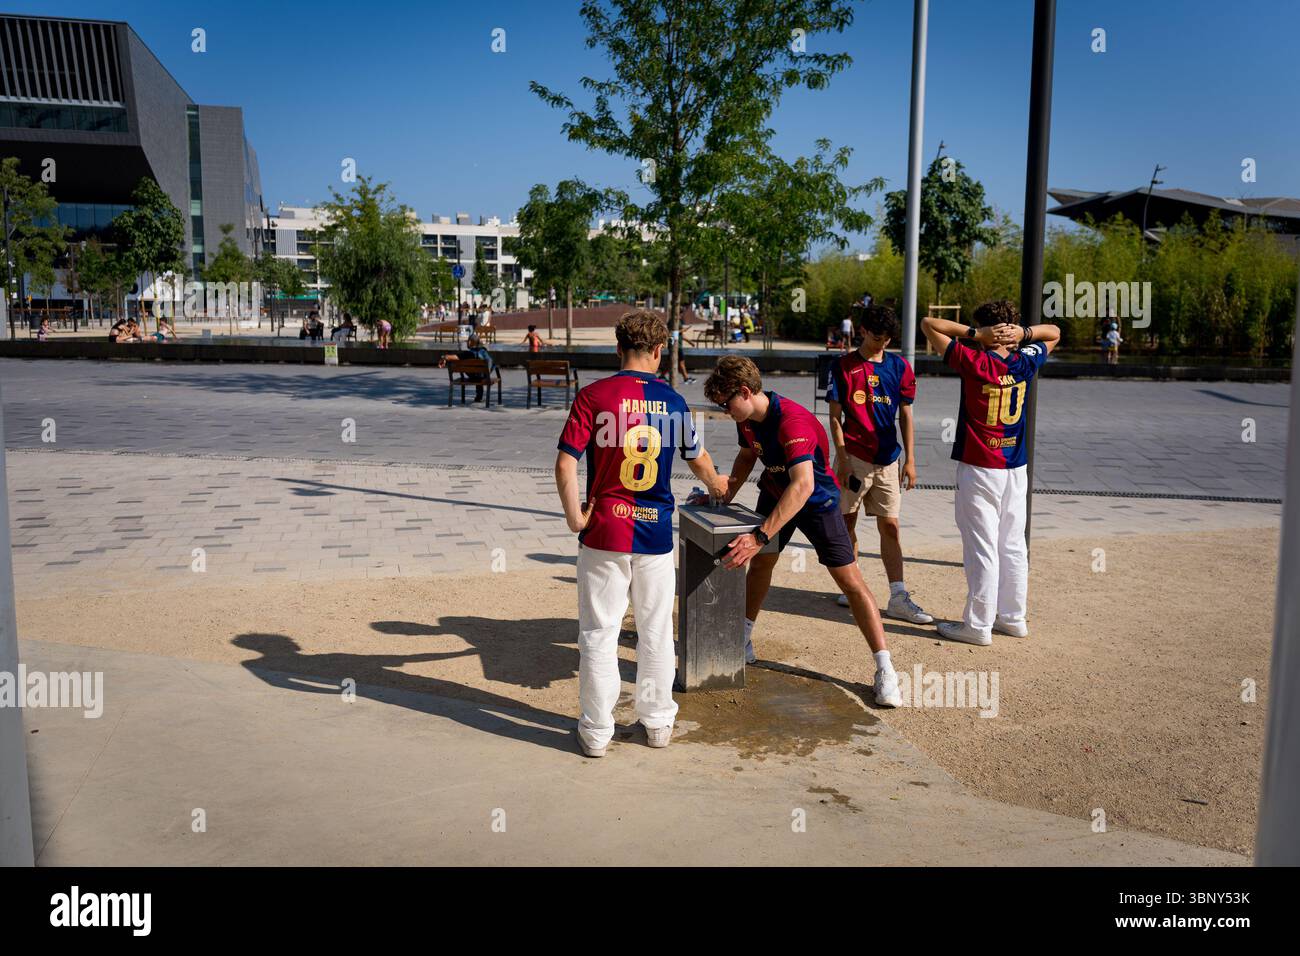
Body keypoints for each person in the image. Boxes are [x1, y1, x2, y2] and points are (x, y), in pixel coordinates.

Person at [555, 310, 730, 757]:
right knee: (654, 631)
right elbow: (700, 460)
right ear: (658, 352)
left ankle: (596, 732)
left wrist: (575, 516)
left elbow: (565, 462)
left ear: (618, 349)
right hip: (654, 535)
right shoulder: (673, 403)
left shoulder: (593, 396)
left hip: (604, 530)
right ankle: (658, 724)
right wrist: (719, 488)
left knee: (599, 632)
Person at [702, 355, 902, 708]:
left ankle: (885, 668)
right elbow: (749, 456)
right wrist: (725, 493)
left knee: (849, 580)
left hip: (816, 501)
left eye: (725, 404)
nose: (724, 411)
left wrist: (760, 535)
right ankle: (744, 638)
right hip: (776, 490)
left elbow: (804, 485)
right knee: (762, 564)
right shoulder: (747, 418)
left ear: (745, 392)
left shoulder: (792, 422)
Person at [920, 301, 1060, 646]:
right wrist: (1024, 333)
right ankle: (1013, 617)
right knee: (1012, 543)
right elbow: (1055, 332)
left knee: (982, 546)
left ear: (986, 330)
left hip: (980, 465)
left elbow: (928, 324)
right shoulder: (1026, 359)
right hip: (1016, 465)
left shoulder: (974, 360)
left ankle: (978, 625)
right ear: (1011, 330)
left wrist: (974, 334)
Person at [827, 304, 931, 622]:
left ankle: (898, 595)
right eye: (876, 337)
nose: (881, 344)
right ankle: (852, 587)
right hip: (853, 458)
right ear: (862, 331)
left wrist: (910, 460)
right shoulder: (842, 367)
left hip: (888, 459)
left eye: (887, 339)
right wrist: (842, 460)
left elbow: (906, 415)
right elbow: (834, 417)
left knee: (891, 525)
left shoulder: (900, 368)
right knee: (846, 523)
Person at [438, 332, 494, 402]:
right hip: (484, 377)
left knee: (476, 373)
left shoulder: (467, 354)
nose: (467, 342)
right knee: (479, 373)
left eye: (468, 341)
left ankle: (478, 395)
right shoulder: (483, 351)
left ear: (470, 342)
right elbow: (490, 362)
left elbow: (454, 357)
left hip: (472, 376)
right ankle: (479, 396)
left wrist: (444, 357)